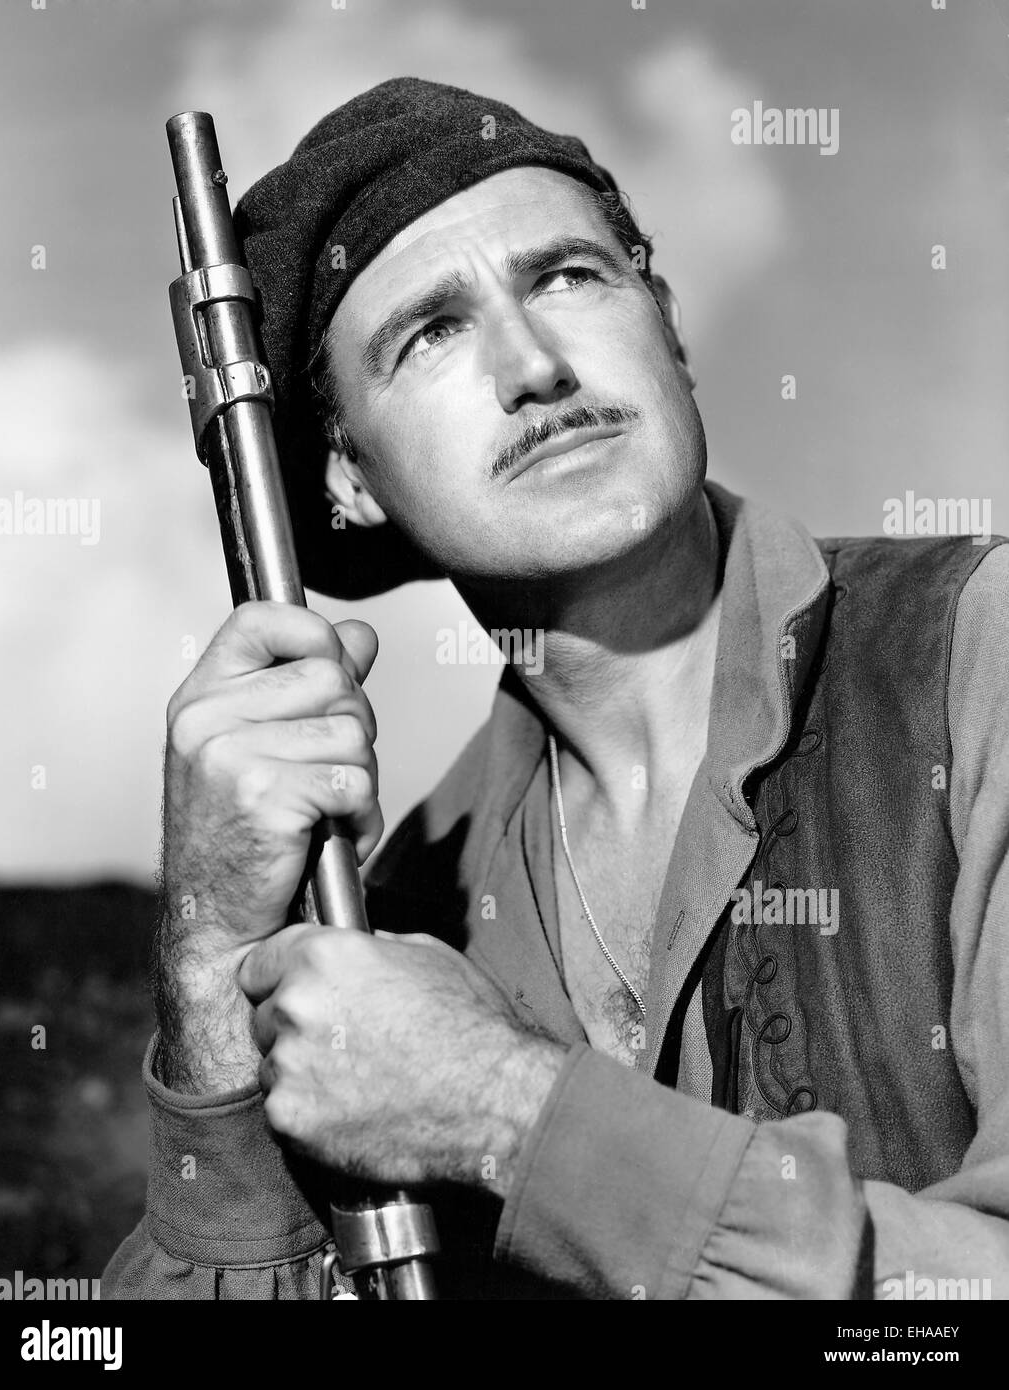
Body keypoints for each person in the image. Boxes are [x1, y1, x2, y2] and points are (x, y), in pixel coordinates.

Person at [103, 77, 1009, 1300]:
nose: (533, 365)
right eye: (431, 331)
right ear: (350, 481)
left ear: (668, 322)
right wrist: (214, 952)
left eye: (569, 277)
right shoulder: (393, 918)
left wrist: (507, 1107)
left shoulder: (972, 653)